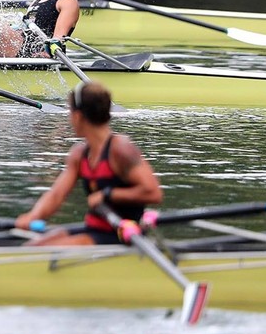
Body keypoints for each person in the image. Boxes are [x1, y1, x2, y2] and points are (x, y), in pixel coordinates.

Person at [16, 81, 163, 246]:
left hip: (123, 235)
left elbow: (153, 193)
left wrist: (107, 194)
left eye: (69, 112)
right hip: (95, 227)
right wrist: (32, 216)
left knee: (43, 250)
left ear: (78, 116)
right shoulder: (79, 154)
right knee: (33, 246)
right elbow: (56, 195)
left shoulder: (121, 150)